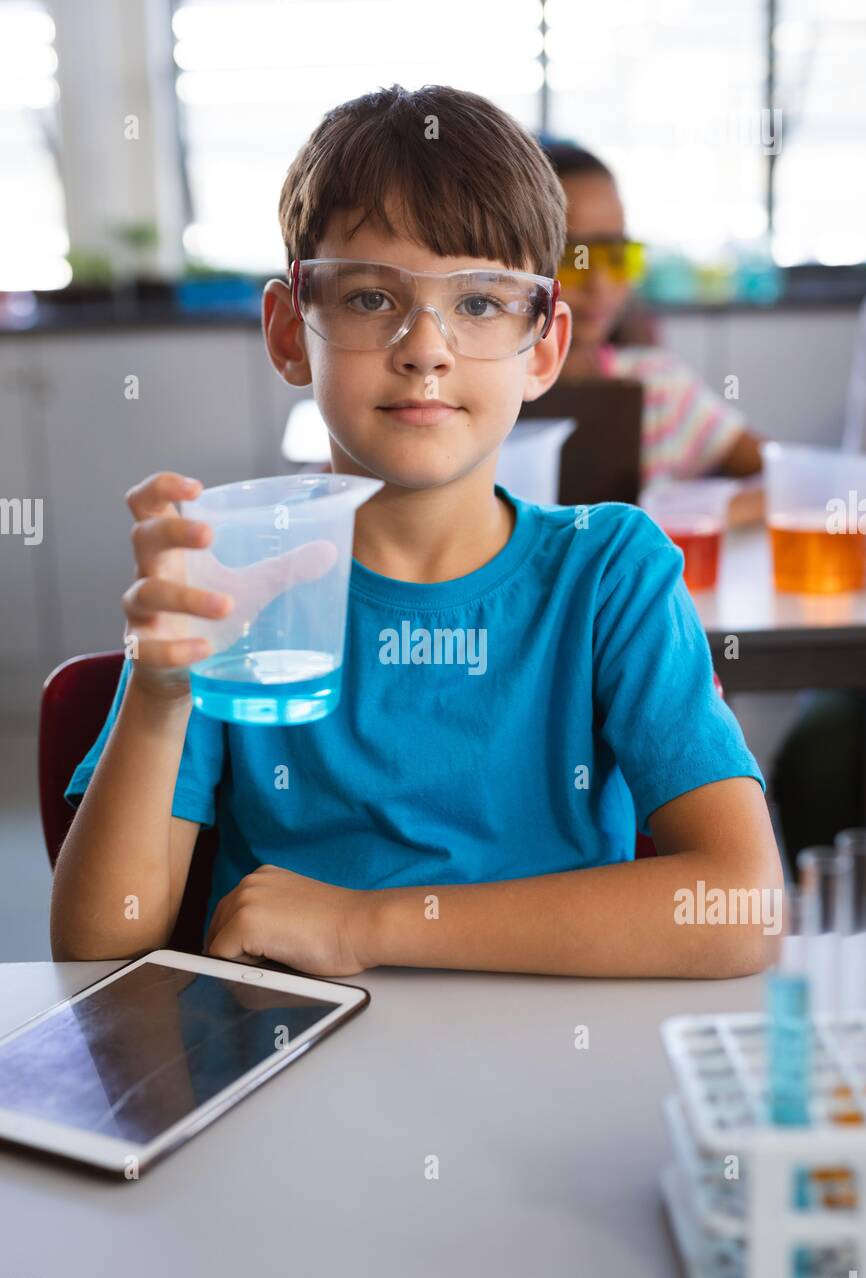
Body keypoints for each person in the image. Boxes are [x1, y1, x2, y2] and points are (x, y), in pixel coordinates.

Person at [52, 86, 781, 978]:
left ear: (543, 348)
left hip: (550, 1066)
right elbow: (96, 949)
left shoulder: (609, 571)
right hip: (296, 1069)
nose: (424, 346)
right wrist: (162, 695)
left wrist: (363, 925)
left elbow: (741, 907)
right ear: (290, 332)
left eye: (477, 304)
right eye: (368, 298)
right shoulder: (231, 577)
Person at [540, 138, 765, 522]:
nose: (601, 284)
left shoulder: (660, 389)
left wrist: (675, 518)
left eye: (617, 255)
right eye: (571, 257)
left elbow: (781, 475)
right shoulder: (482, 393)